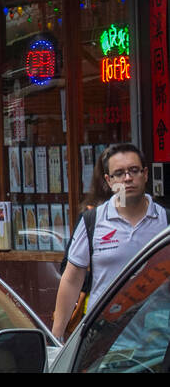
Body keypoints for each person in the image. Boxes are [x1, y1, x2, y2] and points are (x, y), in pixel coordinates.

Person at [51, 143, 166, 339]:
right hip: (104, 336)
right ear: (109, 180)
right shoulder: (93, 221)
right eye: (119, 173)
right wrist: (57, 335)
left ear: (145, 174)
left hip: (156, 338)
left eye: (133, 170)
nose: (127, 178)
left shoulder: (165, 220)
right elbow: (71, 278)